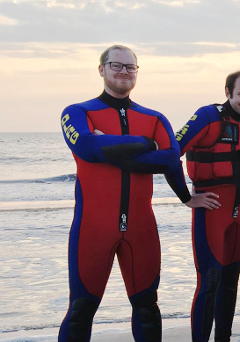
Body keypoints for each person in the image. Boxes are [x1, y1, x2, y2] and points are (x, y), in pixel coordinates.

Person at [58, 45, 217, 341]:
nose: (124, 72)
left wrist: (186, 197)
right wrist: (146, 144)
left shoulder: (155, 118)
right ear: (101, 69)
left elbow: (170, 159)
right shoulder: (77, 112)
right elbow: (87, 148)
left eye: (130, 67)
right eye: (116, 65)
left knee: (146, 306)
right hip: (93, 229)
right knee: (81, 308)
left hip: (141, 229)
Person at [175, 70, 240, 341]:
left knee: (230, 283)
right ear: (228, 93)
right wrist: (186, 197)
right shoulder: (208, 117)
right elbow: (172, 151)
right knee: (209, 282)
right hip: (211, 212)